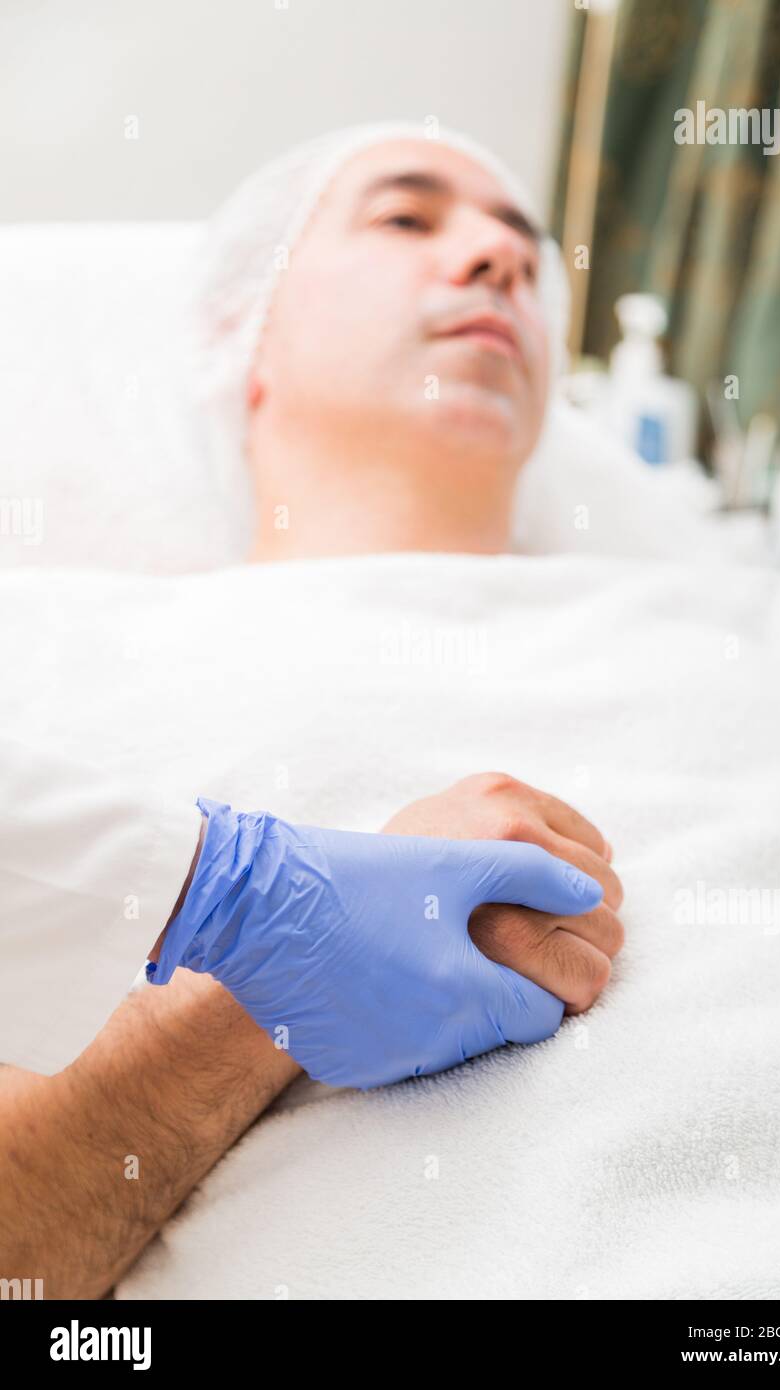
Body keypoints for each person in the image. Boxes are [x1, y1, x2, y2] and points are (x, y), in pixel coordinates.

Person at [0, 123, 624, 1298]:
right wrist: (254, 998)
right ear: (247, 335)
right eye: (406, 216)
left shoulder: (769, 632)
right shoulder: (40, 654)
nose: (497, 255)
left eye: (525, 256)